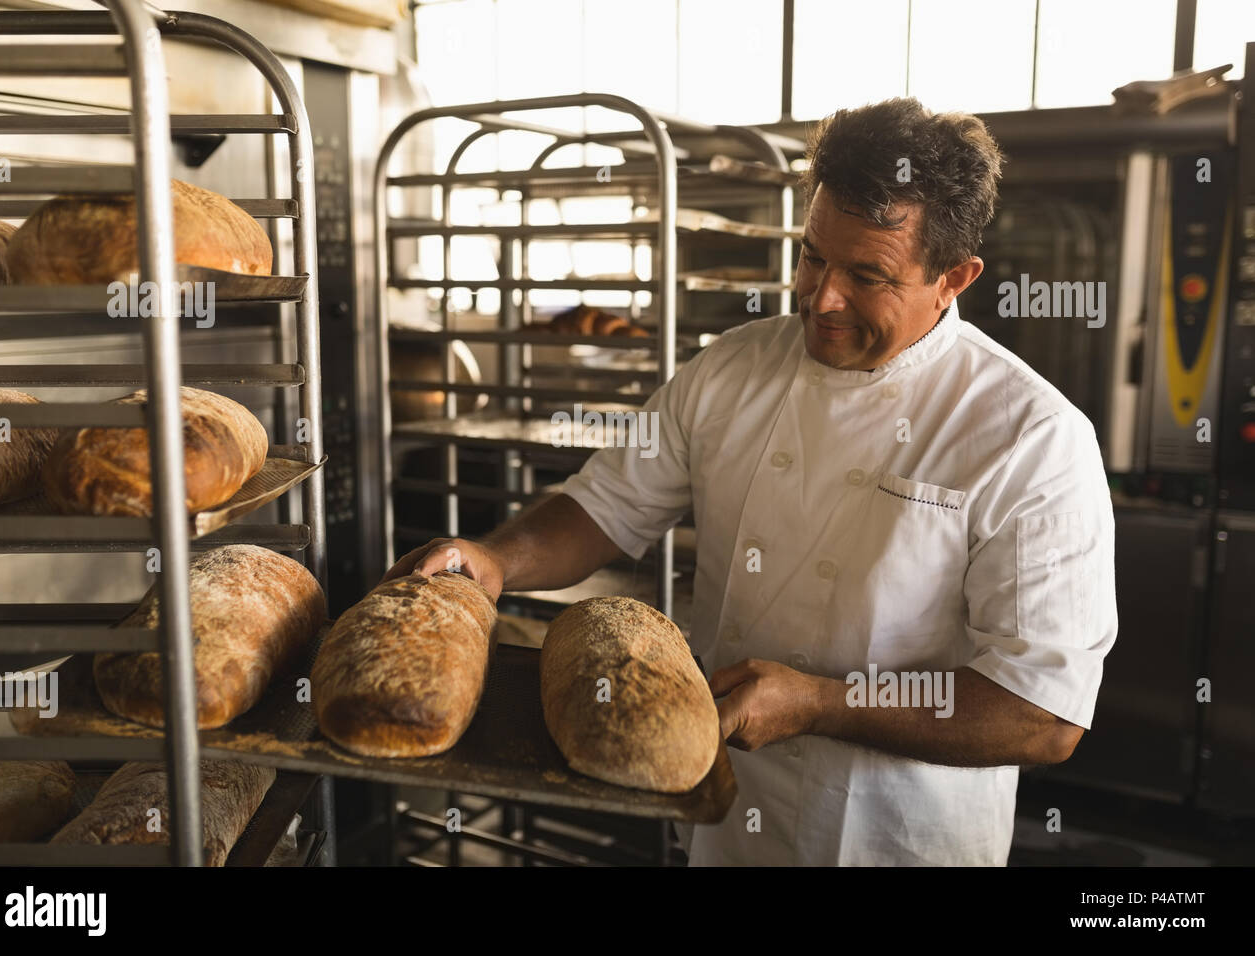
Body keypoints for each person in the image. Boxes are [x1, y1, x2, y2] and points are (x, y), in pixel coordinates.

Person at [385, 97, 1118, 866]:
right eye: (811, 256)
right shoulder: (734, 368)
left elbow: (1042, 712)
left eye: (867, 275)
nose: (821, 298)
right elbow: (603, 505)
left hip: (897, 838)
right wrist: (500, 560)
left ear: (953, 278)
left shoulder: (1031, 437)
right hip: (730, 819)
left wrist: (821, 705)